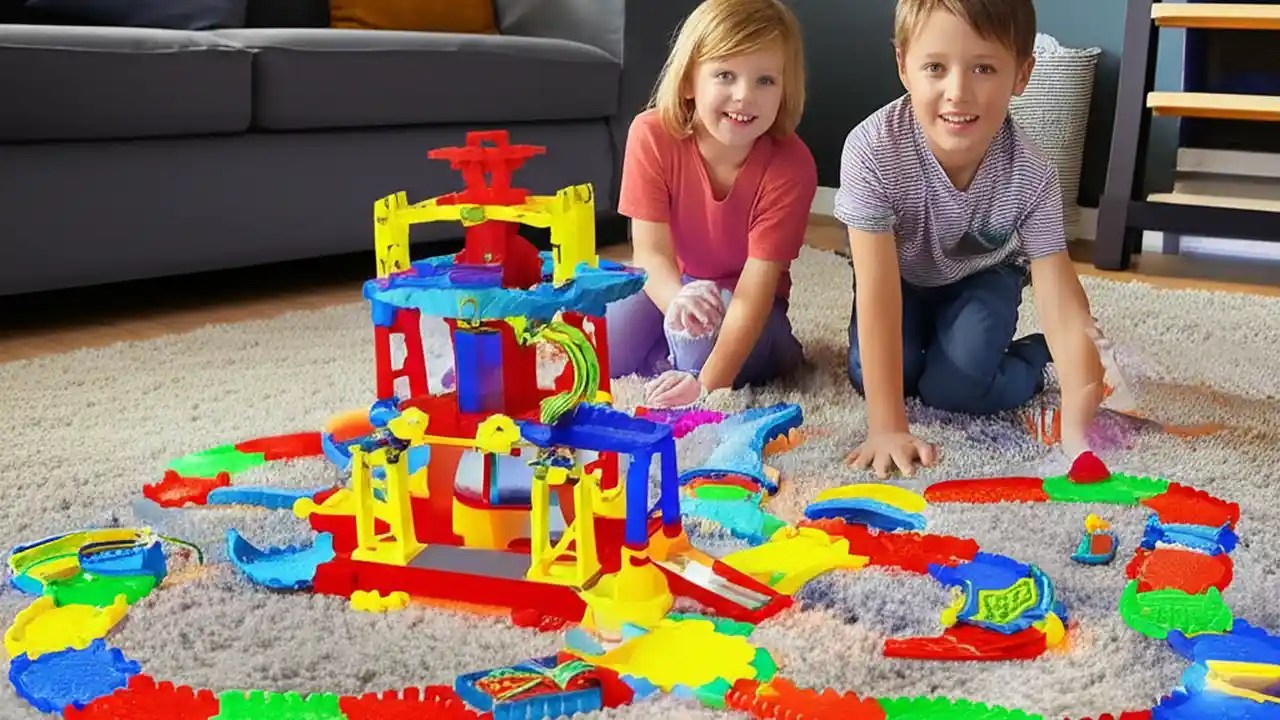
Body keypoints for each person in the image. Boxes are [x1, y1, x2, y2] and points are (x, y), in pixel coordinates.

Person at [836, 0, 1108, 478]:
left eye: (984, 68)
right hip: (900, 279)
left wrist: (1077, 429)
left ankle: (1037, 355)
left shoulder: (1033, 172)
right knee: (876, 376)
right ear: (904, 66)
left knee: (954, 388)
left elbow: (1060, 294)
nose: (958, 93)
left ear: (1021, 75)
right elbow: (876, 291)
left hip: (984, 277)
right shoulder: (871, 150)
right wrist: (887, 427)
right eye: (935, 68)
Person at [604, 0, 818, 408]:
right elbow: (650, 255)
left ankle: (776, 348)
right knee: (607, 345)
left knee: (698, 353)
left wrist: (705, 386)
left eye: (765, 80)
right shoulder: (651, 135)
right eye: (725, 75)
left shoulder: (792, 165)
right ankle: (671, 351)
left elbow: (755, 291)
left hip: (749, 304)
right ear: (689, 82)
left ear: (785, 89)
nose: (744, 96)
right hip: (679, 283)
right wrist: (677, 301)